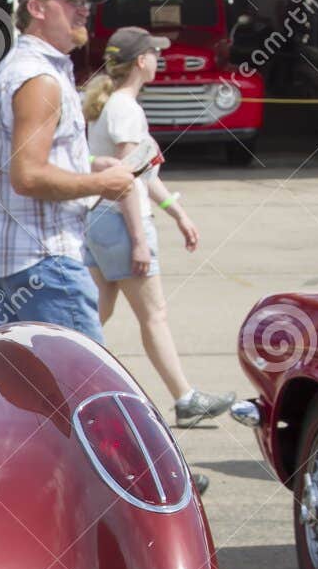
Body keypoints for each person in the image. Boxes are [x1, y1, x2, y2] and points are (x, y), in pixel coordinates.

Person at [0, 0, 136, 342]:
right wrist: (100, 182)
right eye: (72, 1)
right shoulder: (38, 77)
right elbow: (27, 175)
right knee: (85, 391)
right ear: (36, 8)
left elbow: (25, 159)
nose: (84, 10)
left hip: (22, 263)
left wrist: (91, 163)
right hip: (45, 263)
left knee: (22, 392)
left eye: (86, 2)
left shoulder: (30, 68)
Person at [82, 26, 234, 426]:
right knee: (154, 315)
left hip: (99, 220)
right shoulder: (126, 110)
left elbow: (143, 175)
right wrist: (139, 240)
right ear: (140, 62)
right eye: (155, 53)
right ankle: (185, 399)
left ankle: (62, 382)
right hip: (120, 222)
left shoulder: (110, 105)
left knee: (95, 312)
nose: (160, 59)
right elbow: (128, 179)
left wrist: (177, 213)